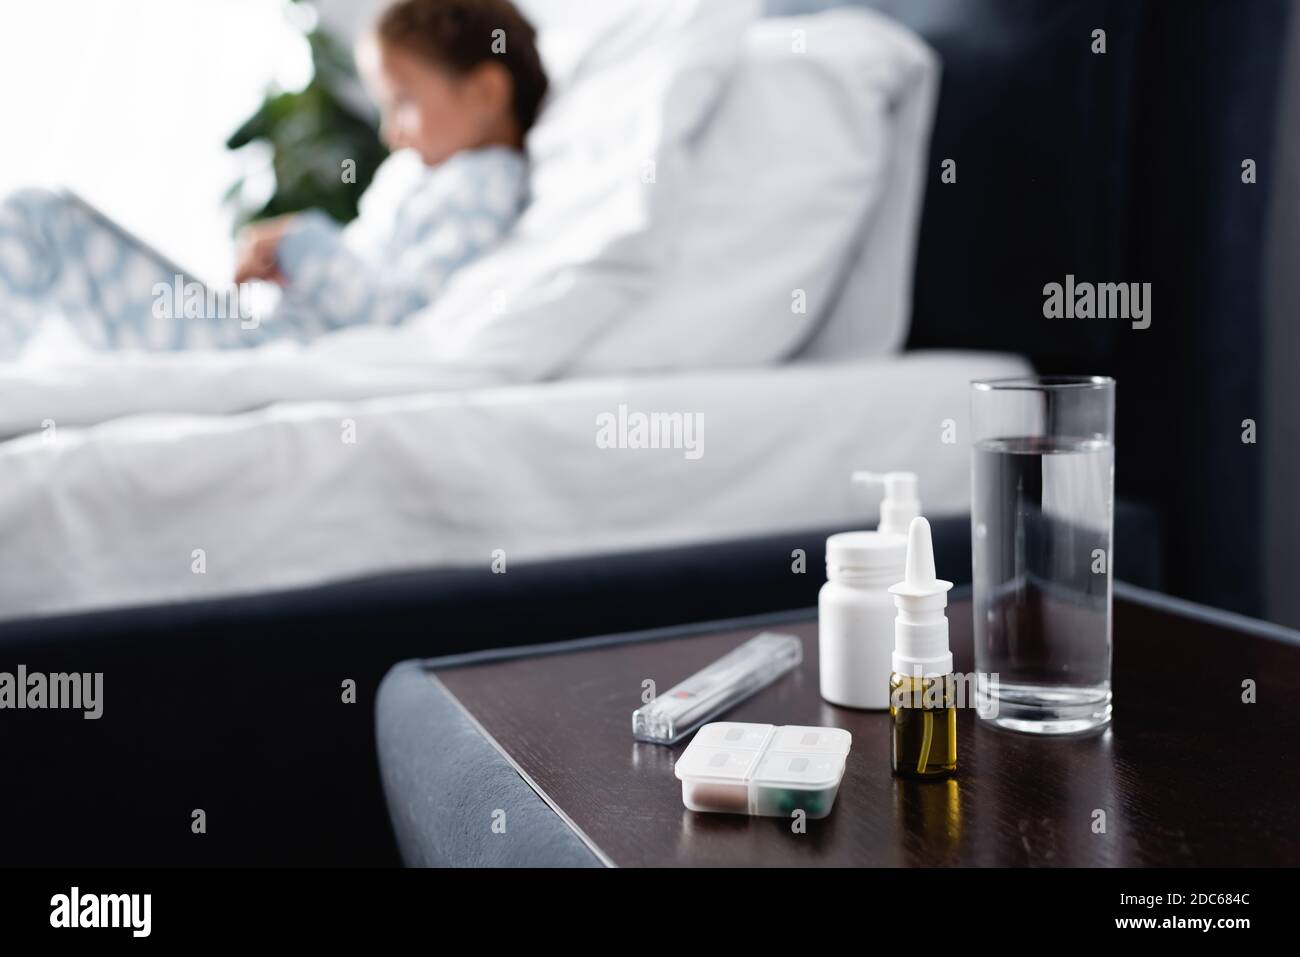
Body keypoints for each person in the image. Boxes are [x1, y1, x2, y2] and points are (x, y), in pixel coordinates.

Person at [0, 0, 548, 359]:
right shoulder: (431, 179)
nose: (389, 134)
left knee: (42, 220)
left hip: (267, 349)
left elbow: (392, 312)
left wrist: (300, 244)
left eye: (402, 103)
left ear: (485, 93)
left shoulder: (484, 185)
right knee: (43, 224)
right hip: (266, 338)